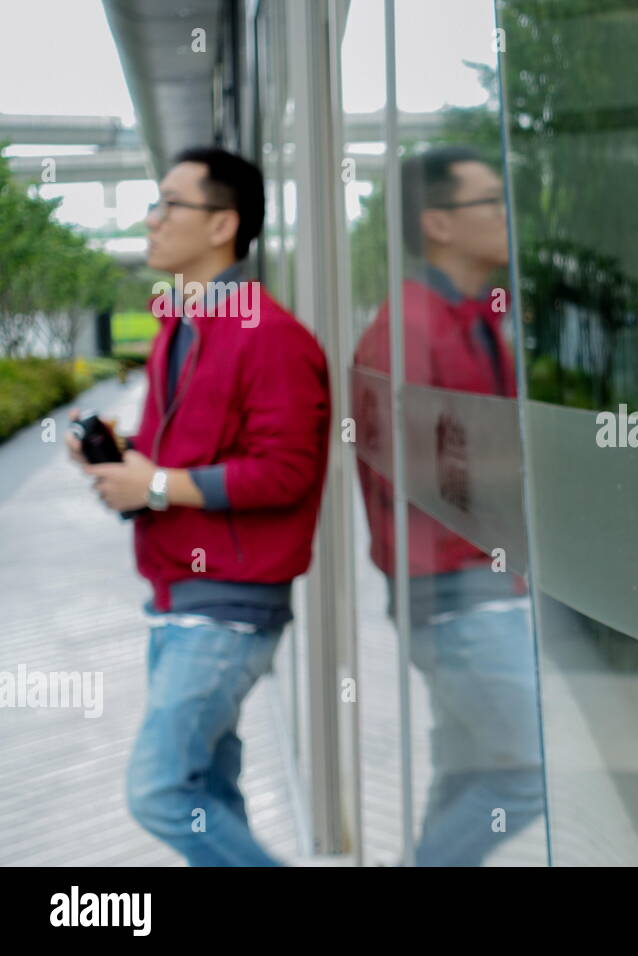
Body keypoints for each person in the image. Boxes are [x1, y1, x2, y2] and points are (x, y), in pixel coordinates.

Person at [66, 147, 331, 866]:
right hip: (175, 592)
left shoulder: (270, 337)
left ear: (223, 225)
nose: (150, 221)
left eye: (168, 205)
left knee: (157, 792)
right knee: (207, 793)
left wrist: (154, 485)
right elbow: (165, 452)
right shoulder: (180, 329)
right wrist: (120, 462)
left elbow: (286, 473)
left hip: (228, 607)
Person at [352, 146, 544, 866]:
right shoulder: (411, 333)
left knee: (474, 775)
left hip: (472, 585)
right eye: (489, 201)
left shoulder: (467, 318)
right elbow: (411, 475)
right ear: (437, 222)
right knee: (529, 773)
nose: (506, 215)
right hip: (457, 594)